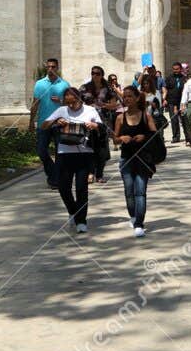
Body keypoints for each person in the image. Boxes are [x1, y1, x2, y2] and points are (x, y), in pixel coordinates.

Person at [42, 87, 102, 234]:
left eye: (73, 102)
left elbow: (101, 128)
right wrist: (56, 121)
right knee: (63, 187)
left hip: (84, 153)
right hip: (64, 153)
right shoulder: (61, 110)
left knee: (82, 188)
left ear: (79, 99)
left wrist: (94, 126)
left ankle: (81, 221)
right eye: (68, 102)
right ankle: (73, 210)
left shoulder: (90, 111)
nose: (71, 106)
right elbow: (44, 125)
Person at [113, 86, 159, 236]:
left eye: (129, 96)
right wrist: (121, 139)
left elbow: (155, 134)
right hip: (126, 159)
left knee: (140, 192)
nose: (126, 99)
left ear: (137, 98)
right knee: (129, 191)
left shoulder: (146, 116)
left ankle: (139, 223)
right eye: (124, 97)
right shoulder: (120, 117)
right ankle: (133, 216)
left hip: (143, 159)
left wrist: (144, 137)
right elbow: (114, 138)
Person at [29, 57, 69, 189]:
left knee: (60, 153)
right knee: (41, 151)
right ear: (46, 68)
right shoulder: (40, 84)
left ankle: (55, 180)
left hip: (59, 123)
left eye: (53, 67)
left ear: (57, 68)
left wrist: (61, 101)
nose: (50, 69)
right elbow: (35, 104)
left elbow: (71, 104)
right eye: (48, 67)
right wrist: (31, 122)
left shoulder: (64, 84)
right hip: (43, 123)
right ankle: (53, 175)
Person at [165, 64, 186, 143]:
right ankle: (176, 137)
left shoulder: (184, 78)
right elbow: (166, 90)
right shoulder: (169, 78)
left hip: (182, 102)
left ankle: (187, 136)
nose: (175, 71)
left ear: (180, 69)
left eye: (177, 69)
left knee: (184, 120)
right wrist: (165, 100)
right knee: (174, 120)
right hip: (172, 102)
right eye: (174, 69)